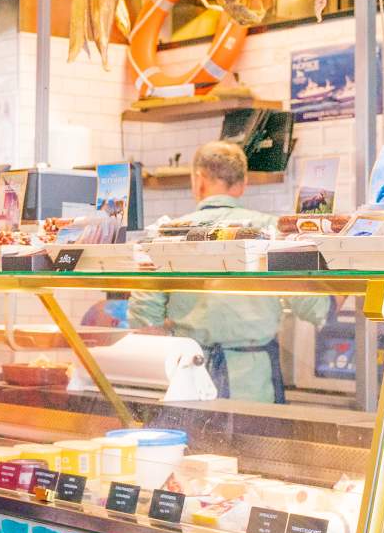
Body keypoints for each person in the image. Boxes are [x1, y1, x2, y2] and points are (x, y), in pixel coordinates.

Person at [128, 141, 325, 402]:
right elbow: (312, 304)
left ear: (198, 180)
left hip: (189, 378)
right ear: (243, 183)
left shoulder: (167, 234)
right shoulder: (271, 231)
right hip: (256, 383)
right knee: (256, 442)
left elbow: (145, 321)